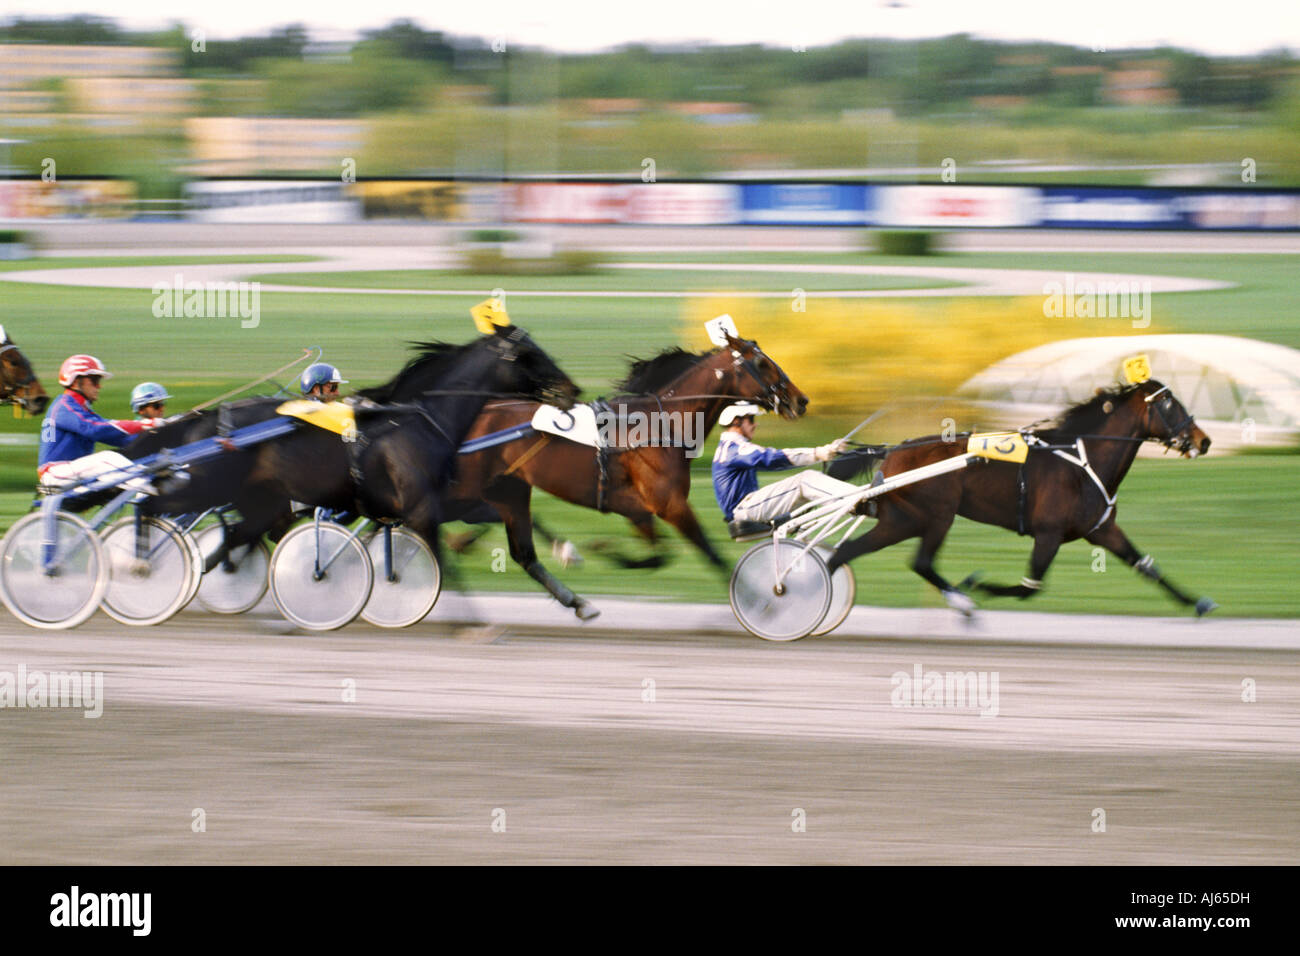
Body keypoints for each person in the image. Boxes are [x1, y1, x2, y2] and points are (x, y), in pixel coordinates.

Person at [712, 402, 857, 534]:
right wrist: (818, 453)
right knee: (806, 480)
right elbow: (771, 459)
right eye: (751, 420)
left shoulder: (730, 447)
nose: (754, 425)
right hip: (744, 510)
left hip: (746, 508)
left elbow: (772, 461)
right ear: (736, 422)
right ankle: (856, 500)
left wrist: (823, 453)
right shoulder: (734, 449)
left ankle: (851, 500)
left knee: (809, 488)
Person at [37, 355, 160, 491]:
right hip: (55, 473)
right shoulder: (63, 406)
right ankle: (156, 488)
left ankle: (149, 492)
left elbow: (119, 437)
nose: (99, 386)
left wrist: (155, 437)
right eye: (95, 380)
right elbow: (94, 428)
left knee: (120, 464)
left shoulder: (81, 409)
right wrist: (145, 424)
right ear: (76, 381)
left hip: (72, 472)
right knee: (107, 459)